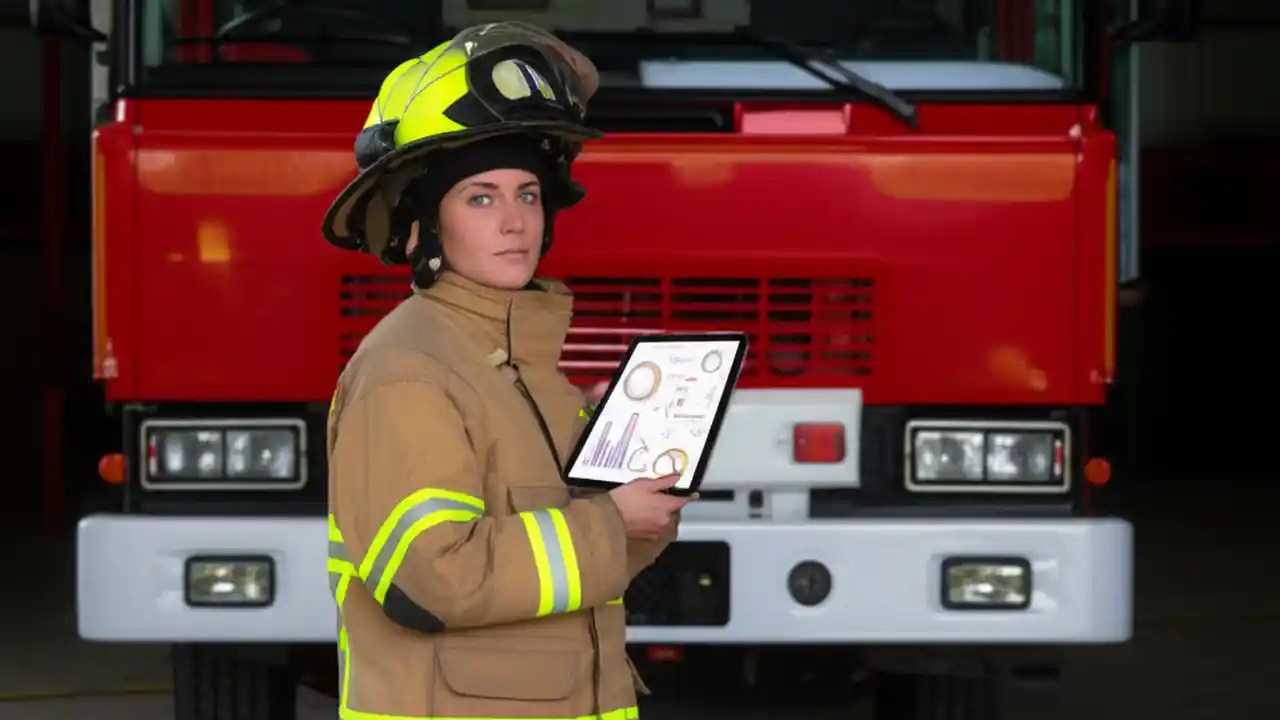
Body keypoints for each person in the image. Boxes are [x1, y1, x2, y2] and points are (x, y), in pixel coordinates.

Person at [319, 21, 689, 720]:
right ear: (425, 226)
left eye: (527, 193)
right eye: (481, 197)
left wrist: (632, 485)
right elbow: (431, 578)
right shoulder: (408, 371)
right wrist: (611, 519)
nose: (515, 220)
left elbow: (586, 570)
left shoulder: (526, 373)